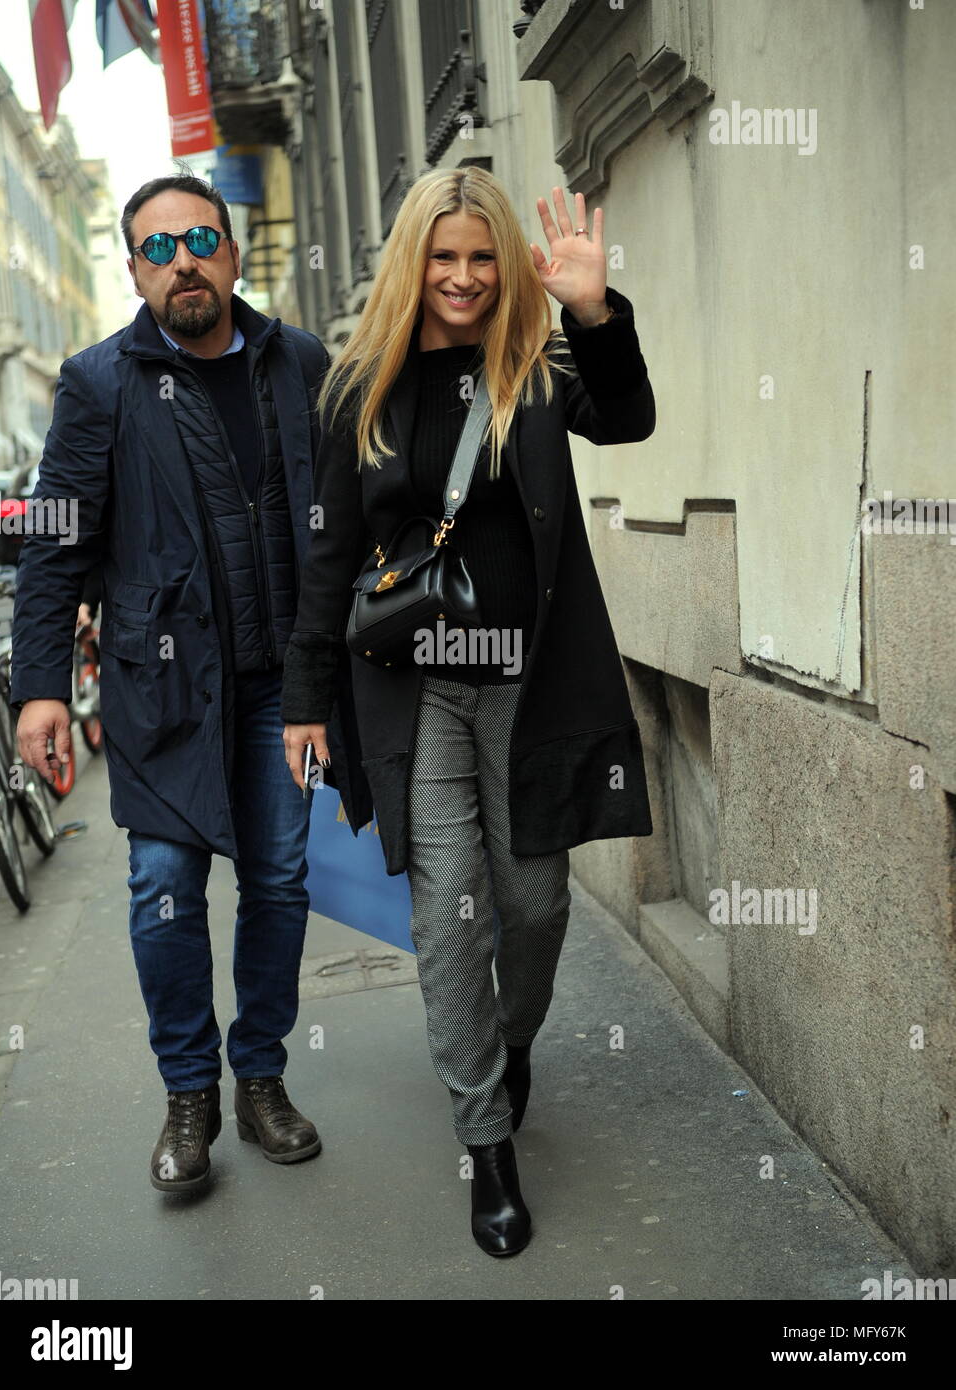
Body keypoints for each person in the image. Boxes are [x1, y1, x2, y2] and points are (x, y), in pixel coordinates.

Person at [280, 167, 656, 1256]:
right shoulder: (358, 388)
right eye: (443, 257)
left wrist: (594, 310)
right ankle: (486, 1143)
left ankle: (511, 1040)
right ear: (414, 261)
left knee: (533, 906)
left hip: (530, 682)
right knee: (450, 914)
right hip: (415, 692)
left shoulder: (537, 367)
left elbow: (627, 419)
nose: (463, 276)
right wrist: (306, 699)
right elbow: (327, 556)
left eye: (482, 257)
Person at [11, 174, 370, 1194]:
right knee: (164, 886)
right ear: (134, 270)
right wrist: (40, 687)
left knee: (280, 881)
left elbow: (344, 515)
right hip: (161, 691)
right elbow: (53, 545)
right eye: (159, 249)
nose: (183, 263)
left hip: (285, 692)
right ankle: (187, 1094)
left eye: (200, 240)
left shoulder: (298, 361)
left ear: (232, 251)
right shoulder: (98, 383)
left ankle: (260, 1076)